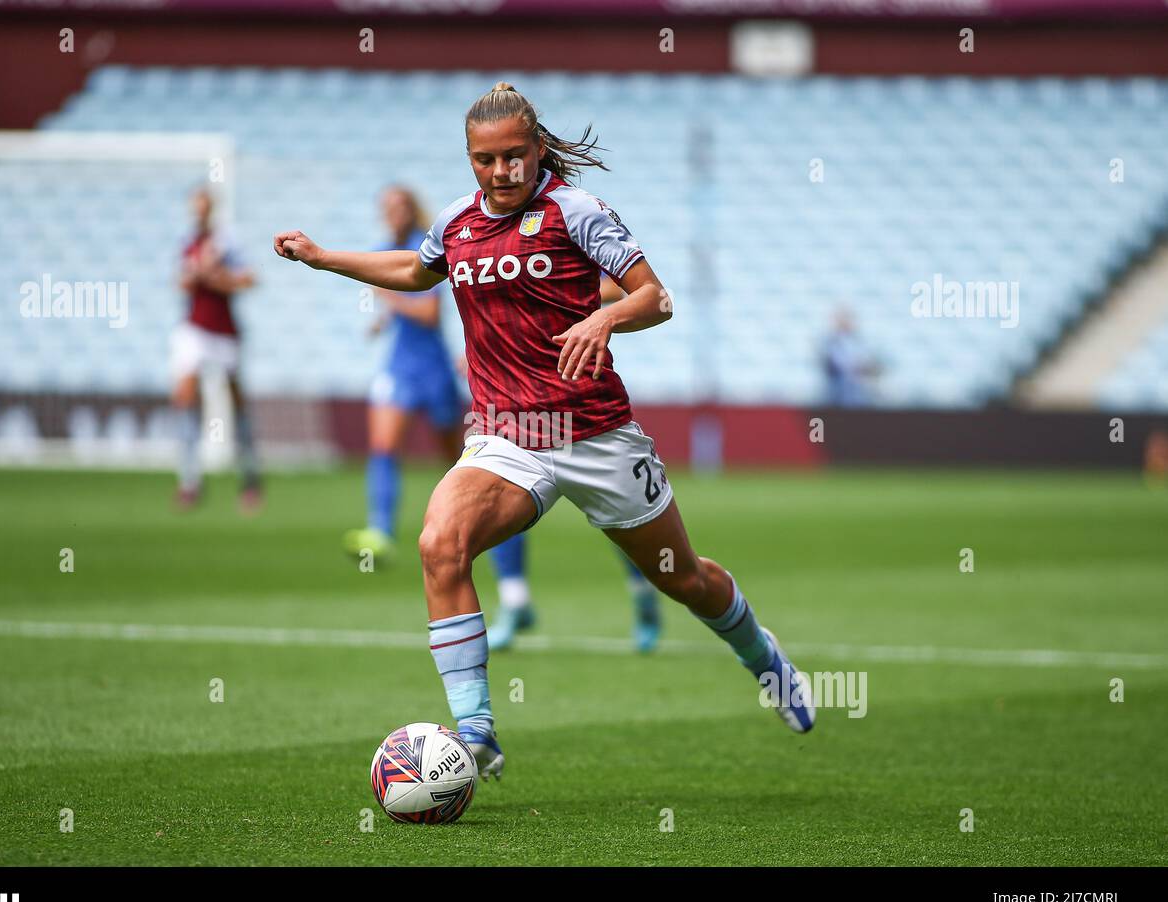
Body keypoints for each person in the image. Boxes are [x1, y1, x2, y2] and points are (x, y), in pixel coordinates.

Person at [275, 82, 815, 781]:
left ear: (538, 149)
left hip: (597, 436)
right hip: (507, 437)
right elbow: (415, 269)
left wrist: (604, 318)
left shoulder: (576, 212)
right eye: (484, 160)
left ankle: (762, 657)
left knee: (685, 580)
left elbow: (656, 297)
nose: (501, 172)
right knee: (440, 543)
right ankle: (476, 733)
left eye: (513, 156)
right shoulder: (458, 224)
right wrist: (325, 258)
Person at [486, 272, 663, 654]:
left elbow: (627, 290)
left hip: (582, 409)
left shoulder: (572, 235)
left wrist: (552, 292)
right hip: (521, 409)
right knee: (496, 501)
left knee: (620, 521)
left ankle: (643, 591)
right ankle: (514, 600)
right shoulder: (507, 245)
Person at [342, 186, 463, 560]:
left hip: (435, 369)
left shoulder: (424, 248)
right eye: (387, 207)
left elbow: (428, 315)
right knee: (383, 446)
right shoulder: (381, 250)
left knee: (456, 461)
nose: (393, 213)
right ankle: (380, 530)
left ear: (411, 210)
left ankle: (466, 523)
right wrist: (382, 320)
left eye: (399, 206)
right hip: (400, 367)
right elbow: (401, 308)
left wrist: (388, 298)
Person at [172, 186, 261, 511]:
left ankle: (250, 475)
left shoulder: (227, 241)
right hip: (194, 328)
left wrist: (214, 277)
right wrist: (196, 276)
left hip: (224, 331)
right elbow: (181, 283)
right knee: (185, 396)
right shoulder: (188, 243)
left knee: (236, 403)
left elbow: (249, 279)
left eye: (204, 207)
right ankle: (189, 480)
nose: (199, 213)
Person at [822, 307, 880, 407]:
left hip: (859, 395)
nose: (845, 322)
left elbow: (869, 364)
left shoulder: (859, 341)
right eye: (842, 319)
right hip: (838, 394)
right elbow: (841, 365)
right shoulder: (831, 342)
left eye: (847, 318)